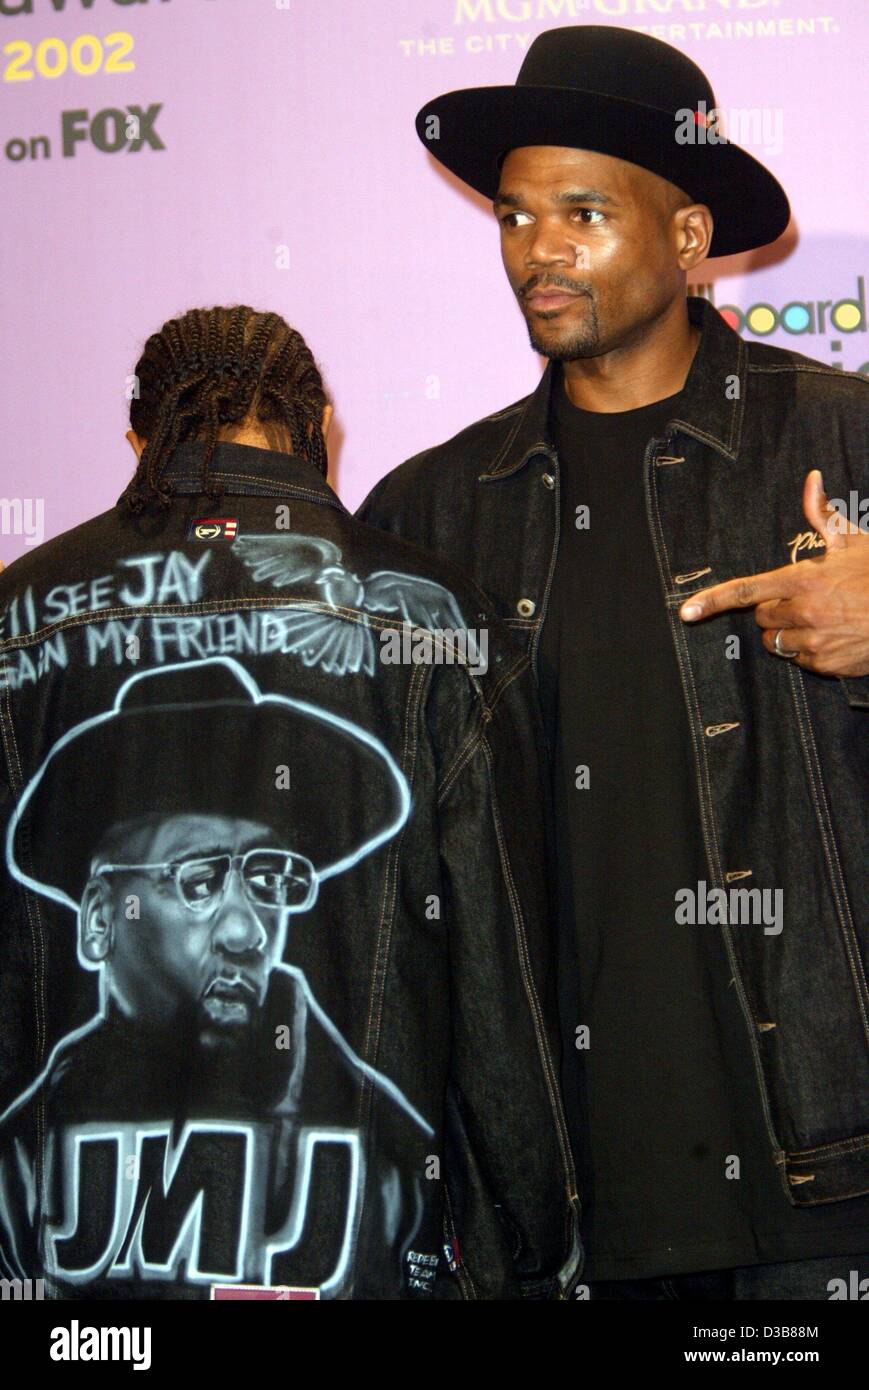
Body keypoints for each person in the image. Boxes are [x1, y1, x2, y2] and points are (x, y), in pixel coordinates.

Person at [358, 26, 869, 1300]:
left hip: (822, 1175)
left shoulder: (837, 437)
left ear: (688, 237)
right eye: (517, 215)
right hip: (560, 1201)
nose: (537, 247)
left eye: (583, 211)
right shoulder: (428, 513)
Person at [0, 304, 581, 1300]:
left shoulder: (18, 619)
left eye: (272, 875)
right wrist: (533, 1242)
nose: (243, 926)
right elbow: (502, 983)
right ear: (317, 434)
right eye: (193, 876)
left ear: (142, 441)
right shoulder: (433, 617)